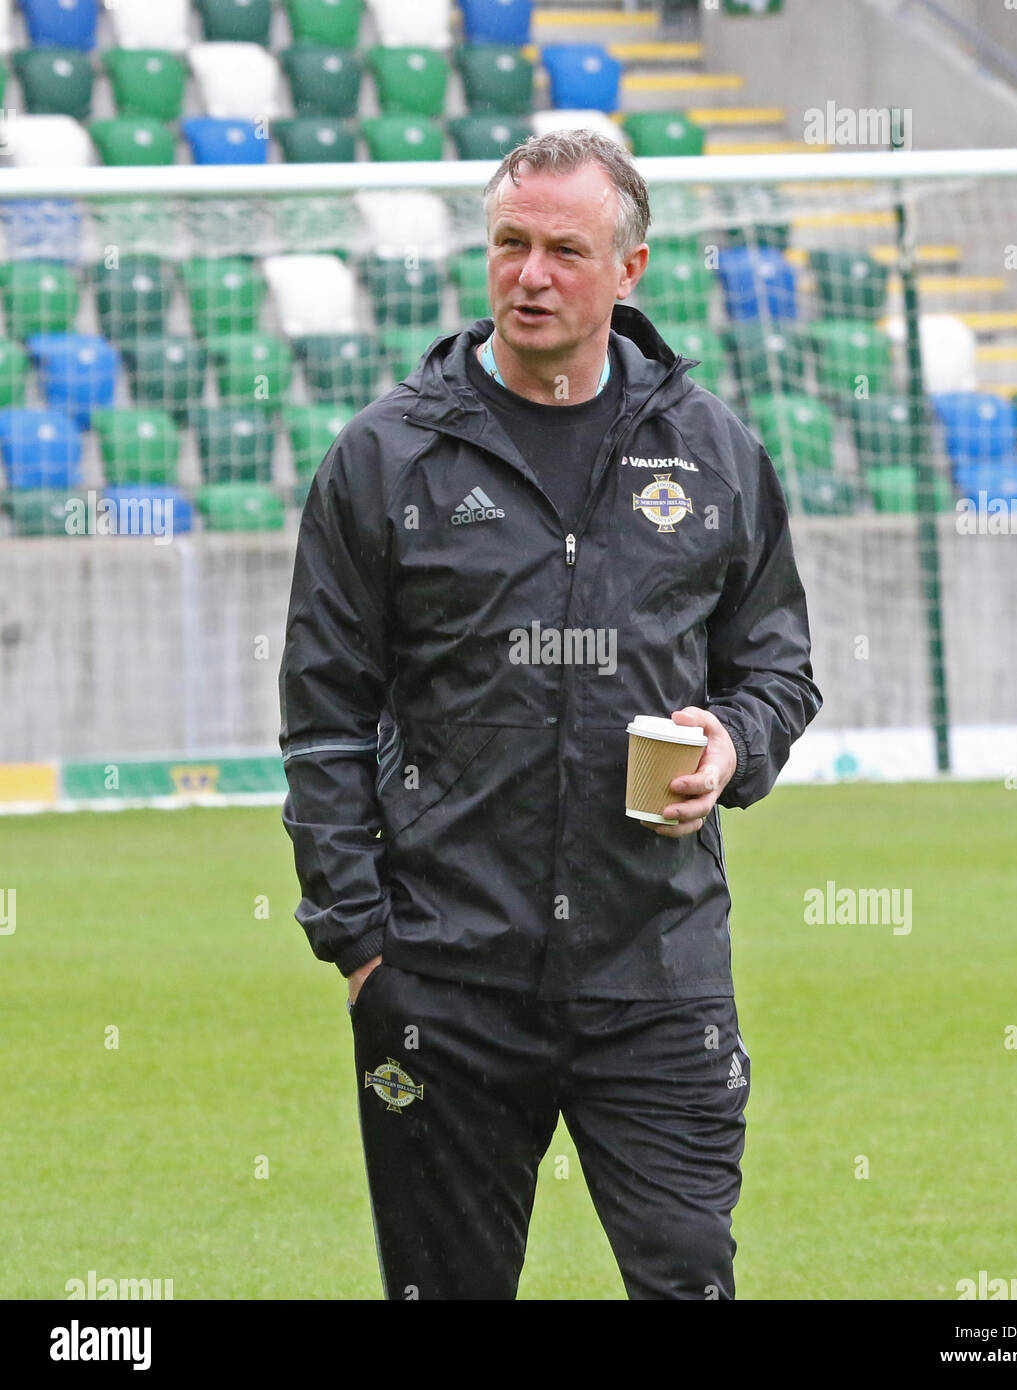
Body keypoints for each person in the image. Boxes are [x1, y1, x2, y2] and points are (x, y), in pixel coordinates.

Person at [278, 129, 822, 1301]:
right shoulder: (385, 458)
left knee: (688, 1277)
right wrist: (364, 947)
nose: (529, 274)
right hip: (444, 978)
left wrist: (734, 744)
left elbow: (776, 667)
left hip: (658, 970)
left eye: (564, 250)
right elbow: (323, 719)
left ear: (629, 270)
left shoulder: (712, 450)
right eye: (509, 245)